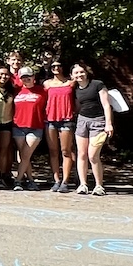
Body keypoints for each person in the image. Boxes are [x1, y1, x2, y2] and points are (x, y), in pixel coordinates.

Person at [71, 63, 114, 195]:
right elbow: (78, 107)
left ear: (87, 72)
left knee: (93, 155)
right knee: (82, 154)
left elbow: (106, 105)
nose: (79, 75)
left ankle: (99, 185)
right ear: (72, 76)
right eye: (76, 73)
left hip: (98, 121)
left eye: (81, 72)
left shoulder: (97, 84)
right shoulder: (76, 89)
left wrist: (108, 124)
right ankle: (83, 184)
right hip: (82, 121)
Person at [11, 67, 46, 191]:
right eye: (23, 77)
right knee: (23, 156)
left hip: (35, 127)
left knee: (25, 155)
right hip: (18, 127)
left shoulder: (42, 91)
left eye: (28, 76)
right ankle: (30, 180)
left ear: (33, 77)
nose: (26, 79)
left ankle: (18, 180)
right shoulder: (16, 91)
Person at [43, 61, 76, 192]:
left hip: (66, 119)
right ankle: (56, 180)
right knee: (53, 151)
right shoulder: (47, 84)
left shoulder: (70, 83)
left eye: (59, 66)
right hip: (50, 119)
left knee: (66, 151)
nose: (56, 68)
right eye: (53, 66)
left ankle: (65, 181)